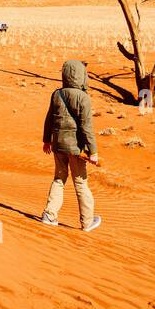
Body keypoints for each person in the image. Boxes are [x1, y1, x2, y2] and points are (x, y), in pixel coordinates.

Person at [40, 59, 102, 232]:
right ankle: (87, 222)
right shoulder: (84, 98)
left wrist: (47, 140)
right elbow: (86, 127)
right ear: (82, 76)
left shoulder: (56, 94)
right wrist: (93, 151)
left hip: (58, 145)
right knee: (80, 183)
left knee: (59, 179)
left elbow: (49, 120)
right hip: (76, 149)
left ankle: (49, 215)